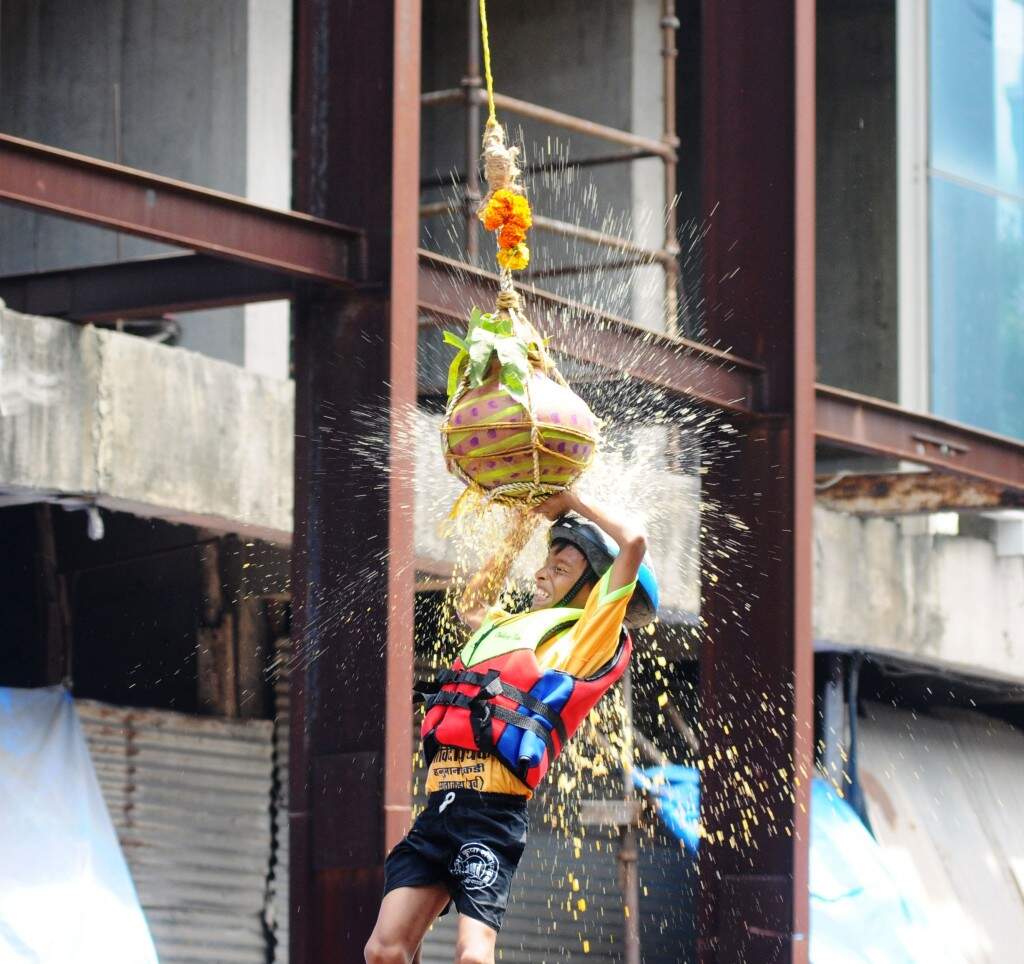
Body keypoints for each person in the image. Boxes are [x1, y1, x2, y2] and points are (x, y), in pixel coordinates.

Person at [364, 489, 658, 964]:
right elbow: (473, 603)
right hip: (440, 808)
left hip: (491, 813)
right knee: (383, 950)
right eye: (545, 564)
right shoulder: (509, 626)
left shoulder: (588, 636)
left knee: (472, 956)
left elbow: (634, 542)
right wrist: (522, 524)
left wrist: (570, 499)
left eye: (560, 570)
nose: (541, 574)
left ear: (593, 592)